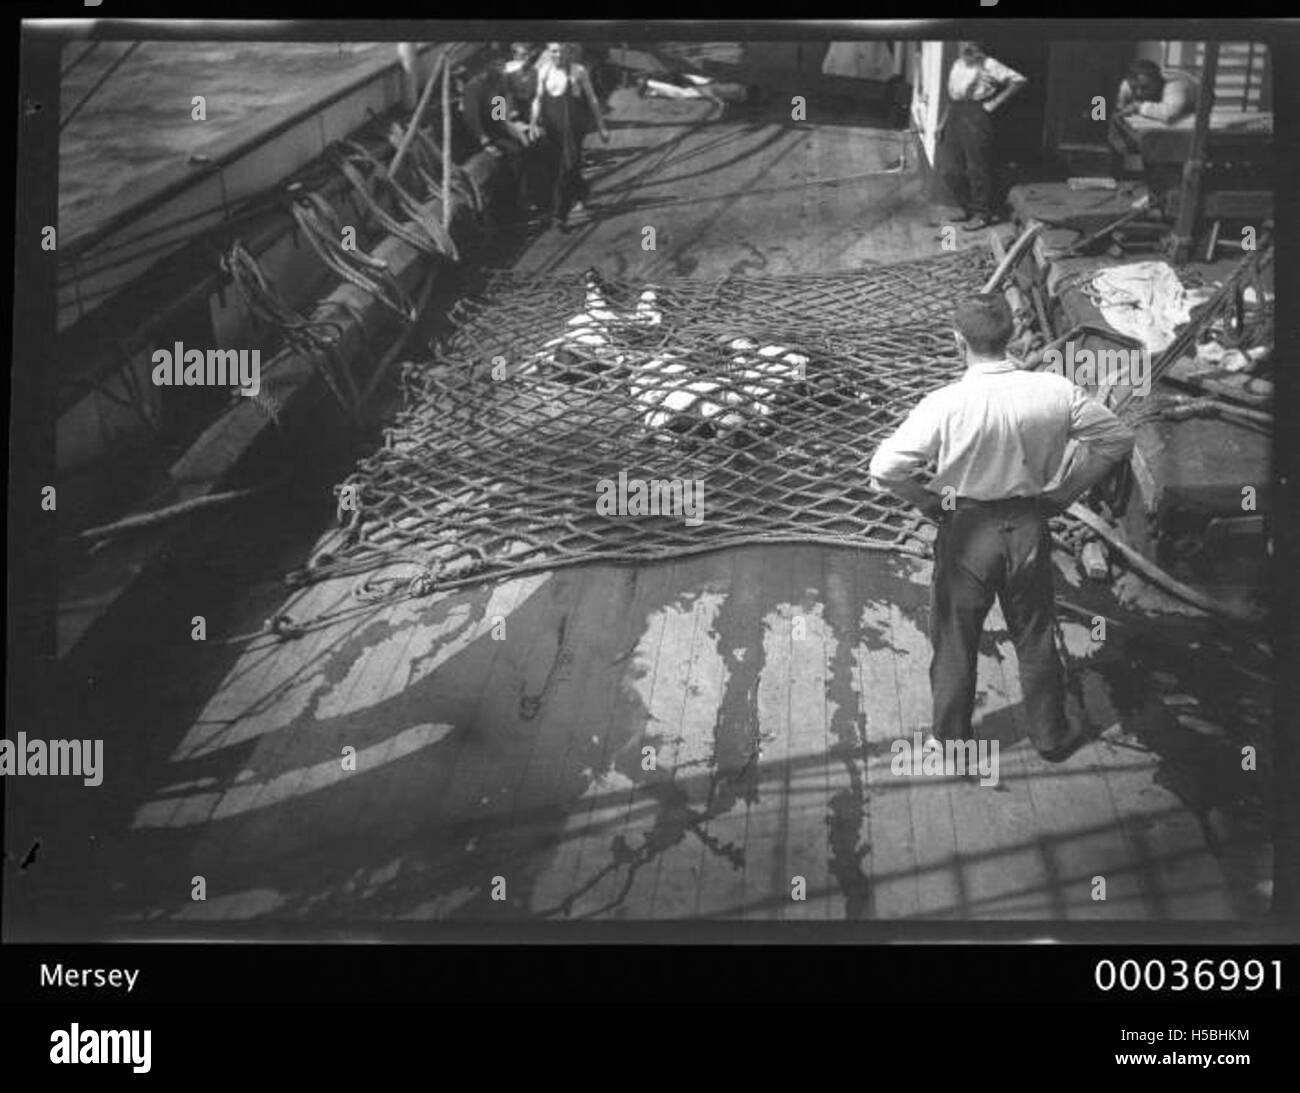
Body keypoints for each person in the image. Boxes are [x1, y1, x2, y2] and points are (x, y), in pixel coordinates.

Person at [867, 294, 1135, 763]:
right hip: (1029, 525)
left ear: (958, 342)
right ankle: (1050, 736)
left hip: (968, 531)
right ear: (1010, 336)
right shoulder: (1054, 391)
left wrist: (930, 502)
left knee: (955, 639)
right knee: (1035, 633)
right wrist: (1067, 492)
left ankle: (951, 743)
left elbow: (884, 469)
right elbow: (1116, 439)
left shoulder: (944, 403)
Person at [936, 41, 1027, 230]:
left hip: (976, 115)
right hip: (955, 114)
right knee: (949, 169)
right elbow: (952, 97)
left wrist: (993, 103)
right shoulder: (957, 64)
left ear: (978, 46)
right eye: (964, 43)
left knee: (976, 167)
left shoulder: (989, 64)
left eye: (972, 43)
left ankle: (982, 214)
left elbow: (1018, 80)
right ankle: (966, 208)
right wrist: (943, 123)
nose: (967, 47)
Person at [528, 42, 610, 229]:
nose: (556, 55)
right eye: (552, 51)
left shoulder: (578, 71)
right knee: (559, 167)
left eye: (559, 52)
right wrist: (533, 123)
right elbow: (537, 99)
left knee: (567, 166)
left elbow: (592, 98)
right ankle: (582, 192)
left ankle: (560, 214)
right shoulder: (544, 72)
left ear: (567, 53)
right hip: (553, 128)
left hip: (574, 127)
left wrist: (601, 126)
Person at [1115, 58, 1200, 124]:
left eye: (1145, 87)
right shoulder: (1129, 83)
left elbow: (1169, 113)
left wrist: (1138, 106)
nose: (1139, 92)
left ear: (1157, 81)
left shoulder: (1174, 84)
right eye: (1134, 88)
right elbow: (1118, 110)